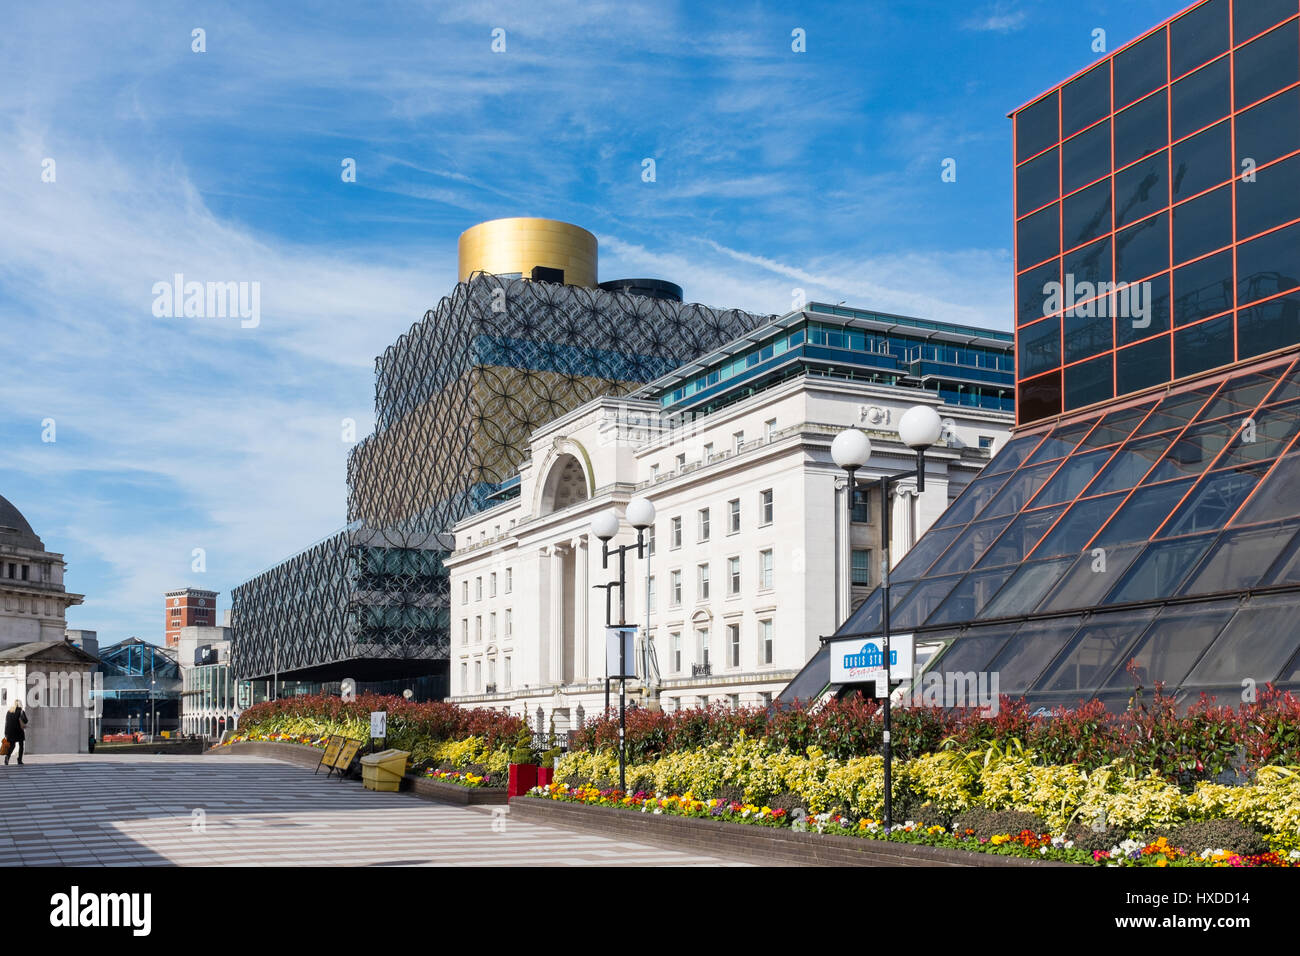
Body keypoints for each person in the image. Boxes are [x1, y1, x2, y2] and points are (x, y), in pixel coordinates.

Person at [4, 701, 28, 765]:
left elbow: (6, 723)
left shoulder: (9, 711)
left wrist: (6, 733)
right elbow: (25, 721)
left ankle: (7, 757)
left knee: (12, 745)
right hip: (19, 731)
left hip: (10, 732)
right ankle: (19, 760)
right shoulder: (21, 711)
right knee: (21, 745)